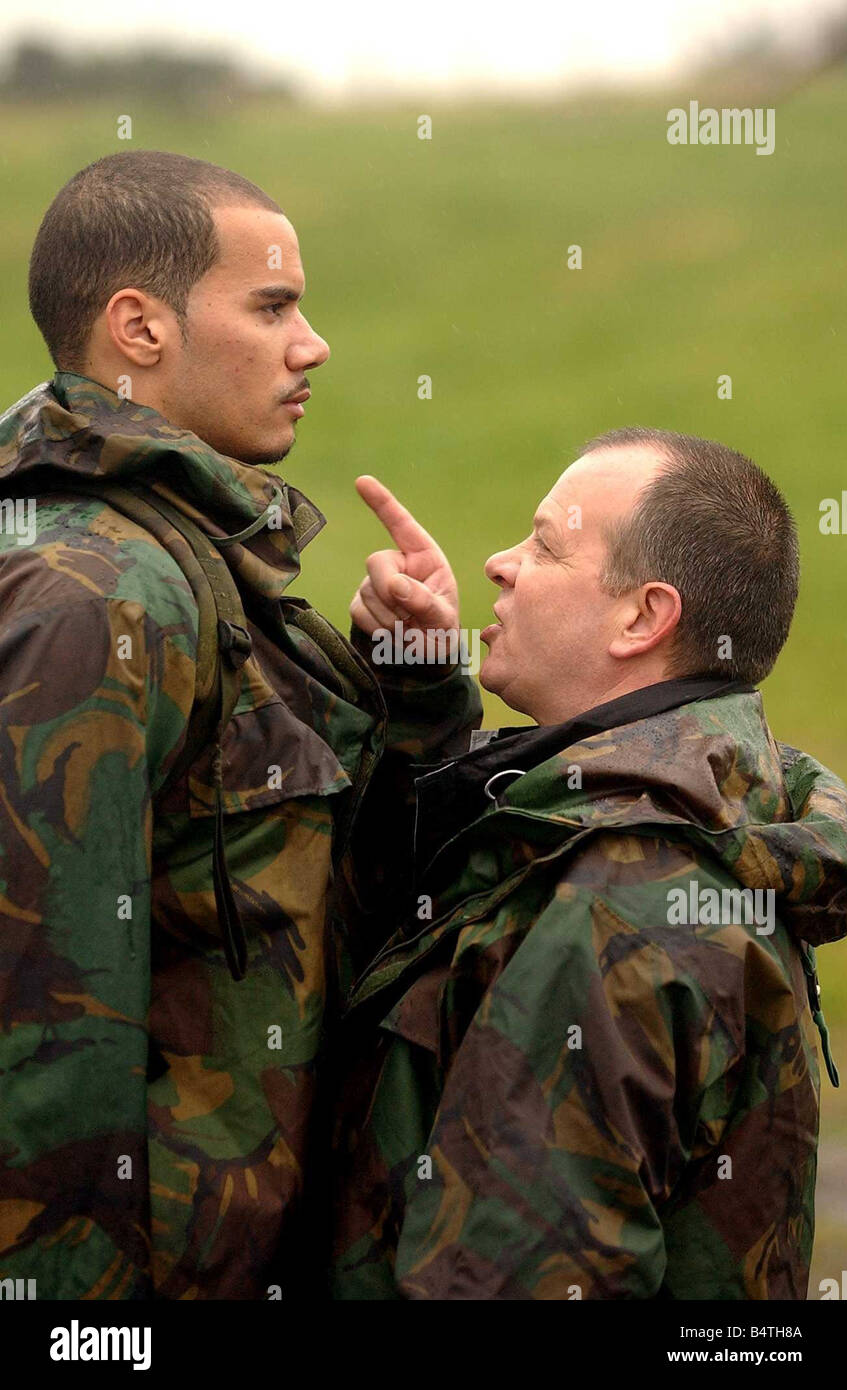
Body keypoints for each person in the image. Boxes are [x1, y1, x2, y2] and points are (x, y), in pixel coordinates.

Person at [0, 150, 480, 1299]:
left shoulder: (194, 558)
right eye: (271, 307)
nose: (310, 345)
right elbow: (41, 1022)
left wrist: (409, 681)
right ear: (140, 327)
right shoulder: (92, 593)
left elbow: (329, 891)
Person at [331, 428, 847, 1300]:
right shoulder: (709, 805)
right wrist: (419, 695)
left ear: (644, 617)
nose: (500, 563)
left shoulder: (613, 905)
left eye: (545, 544)